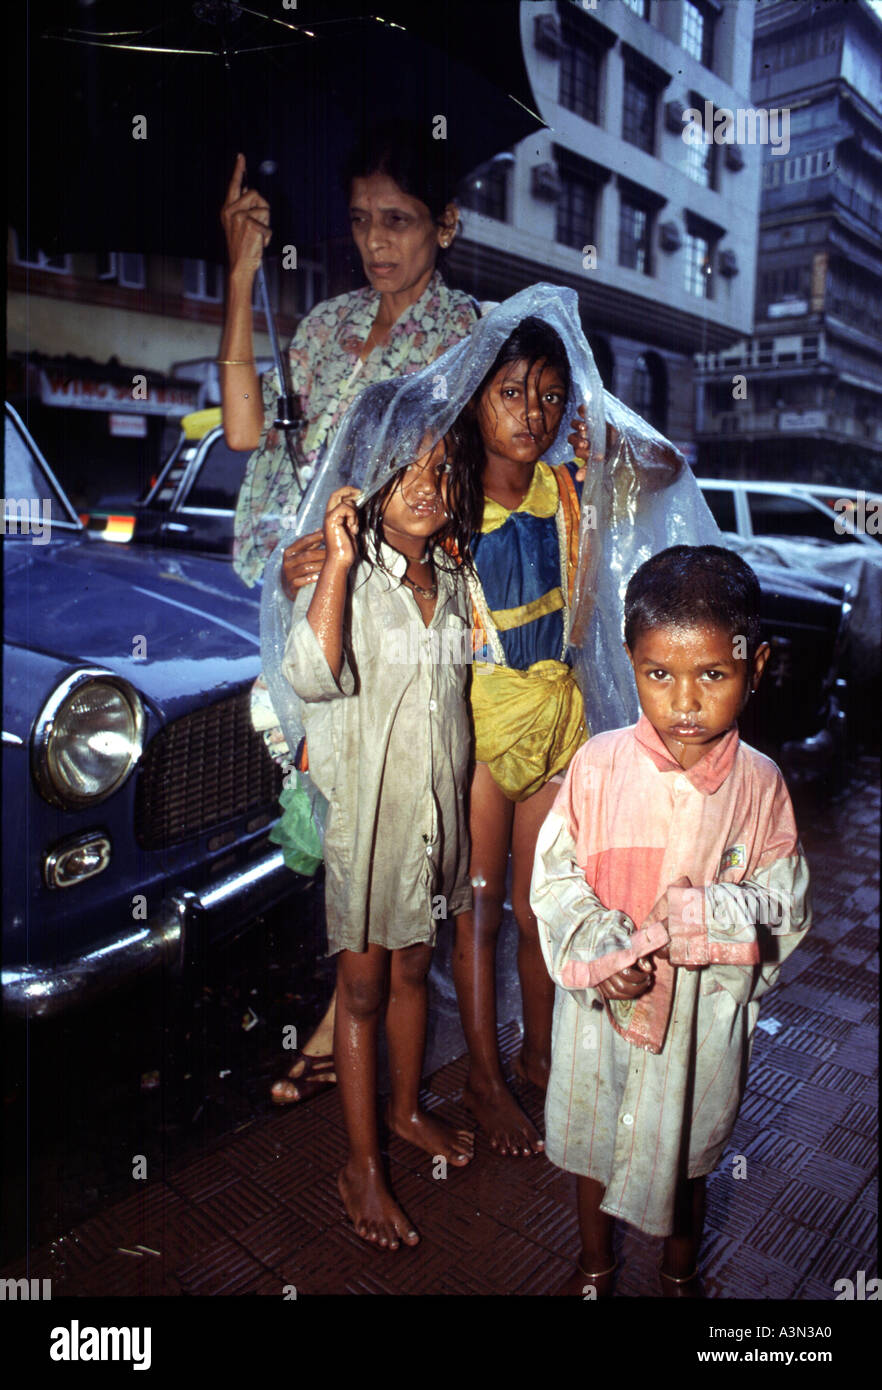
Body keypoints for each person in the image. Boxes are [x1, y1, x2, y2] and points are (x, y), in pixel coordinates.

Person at [275, 284, 717, 1158]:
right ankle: (482, 1072)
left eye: (550, 395)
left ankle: (541, 1056)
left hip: (557, 717)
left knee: (537, 909)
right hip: (476, 730)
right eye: (512, 391)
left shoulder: (567, 483)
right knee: (475, 913)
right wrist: (316, 557)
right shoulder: (449, 494)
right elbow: (350, 549)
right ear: (477, 396)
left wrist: (608, 441)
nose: (534, 411)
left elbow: (664, 468)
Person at [218, 124, 479, 1103]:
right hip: (287, 580)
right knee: (327, 794)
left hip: (376, 598)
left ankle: (349, 1021)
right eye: (365, 221)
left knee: (370, 798)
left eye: (402, 221)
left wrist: (349, 549)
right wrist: (243, 274)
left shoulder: (466, 335)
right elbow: (250, 431)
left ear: (446, 224)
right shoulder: (326, 325)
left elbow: (460, 485)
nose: (378, 242)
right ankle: (354, 1007)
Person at [530, 545, 812, 1297]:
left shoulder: (760, 787)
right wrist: (602, 948)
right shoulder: (596, 766)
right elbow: (554, 879)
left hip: (698, 1023)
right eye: (660, 674)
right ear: (630, 662)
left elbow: (786, 907)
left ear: (756, 666)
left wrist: (697, 918)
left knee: (684, 1159)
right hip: (600, 1008)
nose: (685, 703)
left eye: (712, 674)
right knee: (595, 1146)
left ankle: (680, 1276)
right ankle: (595, 1268)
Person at [280, 438, 481, 1250]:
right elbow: (310, 674)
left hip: (434, 825)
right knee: (359, 992)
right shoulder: (349, 575)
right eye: (411, 471)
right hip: (370, 826)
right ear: (371, 479)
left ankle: (402, 1112)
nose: (429, 487)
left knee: (412, 968)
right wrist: (331, 560)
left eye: (442, 471)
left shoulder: (458, 580)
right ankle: (361, 1165)